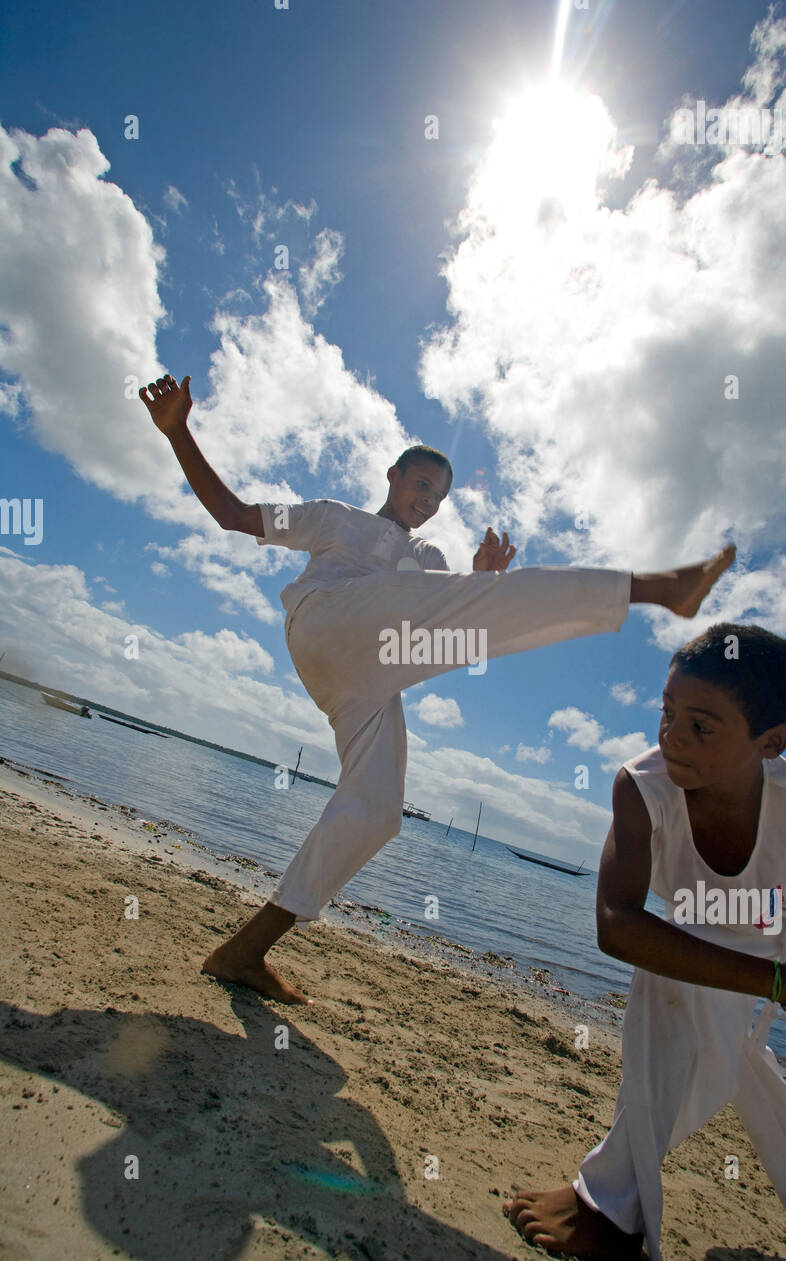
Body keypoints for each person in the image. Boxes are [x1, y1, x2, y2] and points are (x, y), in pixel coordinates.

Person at [140, 372, 735, 1005]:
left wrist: (479, 582)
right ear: (393, 475)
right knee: (472, 601)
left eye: (440, 496)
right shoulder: (335, 519)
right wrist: (178, 431)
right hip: (325, 622)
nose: (428, 500)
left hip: (364, 678)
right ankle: (654, 588)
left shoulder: (427, 563)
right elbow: (232, 515)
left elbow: (449, 606)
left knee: (376, 811)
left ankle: (246, 950)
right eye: (421, 483)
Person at [504, 623, 786, 1261]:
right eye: (667, 712)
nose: (672, 736)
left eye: (701, 726)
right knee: (699, 1026)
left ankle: (610, 1211)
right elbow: (617, 924)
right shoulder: (641, 787)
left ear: (771, 743)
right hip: (700, 921)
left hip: (771, 916)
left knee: (694, 1022)